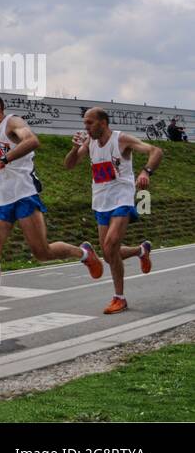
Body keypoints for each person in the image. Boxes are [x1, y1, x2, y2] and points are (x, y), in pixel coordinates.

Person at [0, 92, 102, 322]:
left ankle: (84, 253)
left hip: (24, 194)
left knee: (41, 252)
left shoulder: (12, 122)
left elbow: (32, 141)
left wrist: (1, 160)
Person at [64, 107, 163, 314]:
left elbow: (156, 151)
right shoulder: (89, 143)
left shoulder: (121, 140)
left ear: (103, 122)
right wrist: (74, 149)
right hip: (100, 200)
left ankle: (120, 298)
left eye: (90, 123)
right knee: (109, 255)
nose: (86, 127)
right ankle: (140, 250)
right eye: (85, 123)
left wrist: (146, 172)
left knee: (109, 246)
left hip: (122, 198)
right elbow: (69, 165)